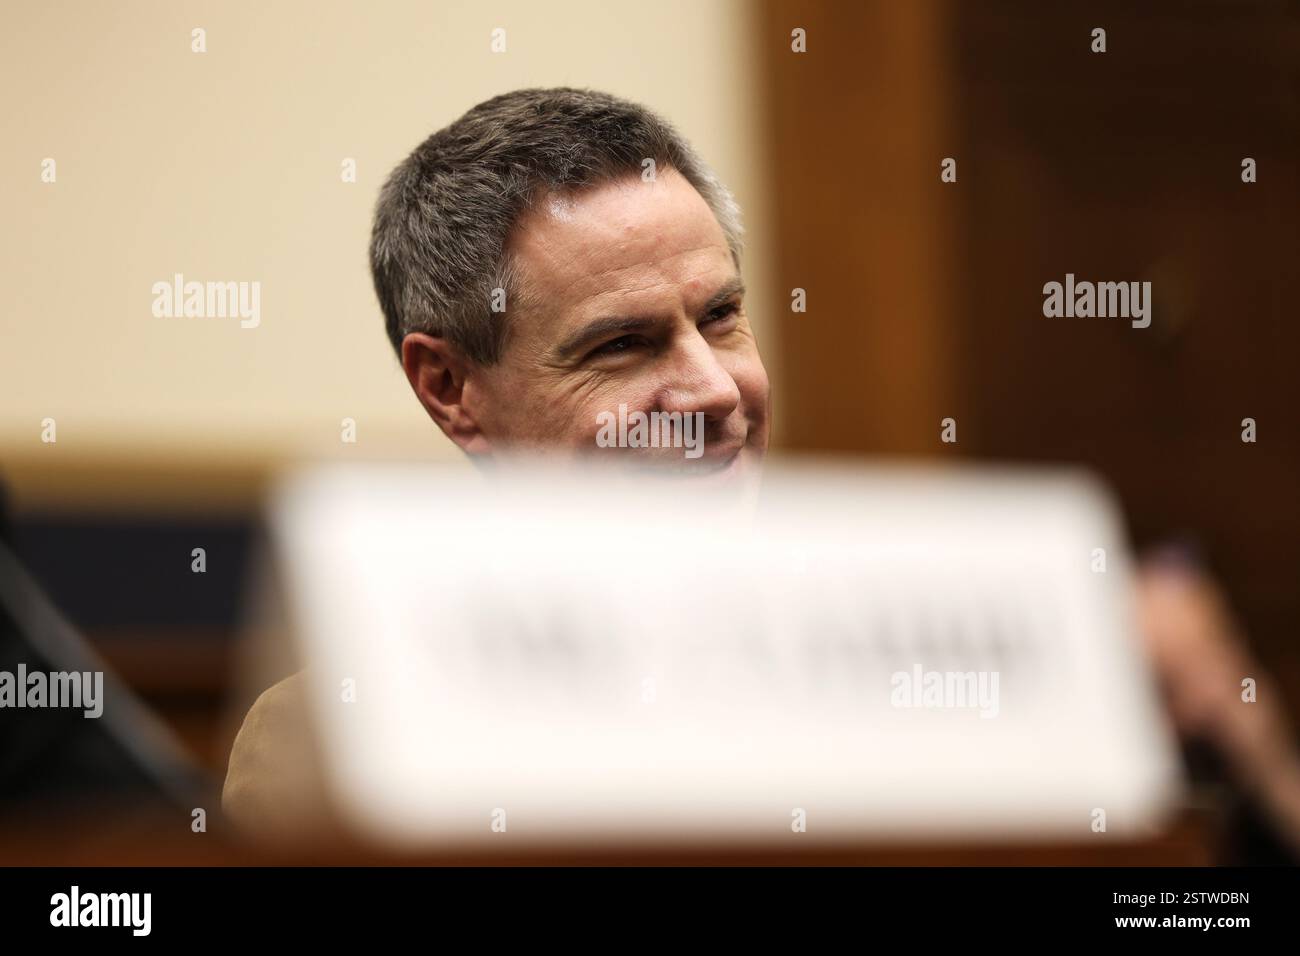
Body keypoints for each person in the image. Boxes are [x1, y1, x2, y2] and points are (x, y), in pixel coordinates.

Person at [223, 88, 1300, 861]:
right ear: (451, 387)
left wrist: (1237, 778)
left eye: (722, 316)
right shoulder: (340, 725)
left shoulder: (933, 638)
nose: (714, 390)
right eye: (620, 345)